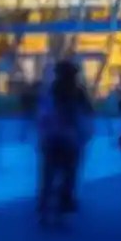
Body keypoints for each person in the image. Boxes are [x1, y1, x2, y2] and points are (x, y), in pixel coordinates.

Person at [36, 60, 93, 225]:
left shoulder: (50, 91)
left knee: (48, 173)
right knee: (69, 172)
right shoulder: (78, 92)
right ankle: (64, 204)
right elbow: (88, 112)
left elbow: (41, 113)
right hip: (71, 139)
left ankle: (44, 206)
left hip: (51, 138)